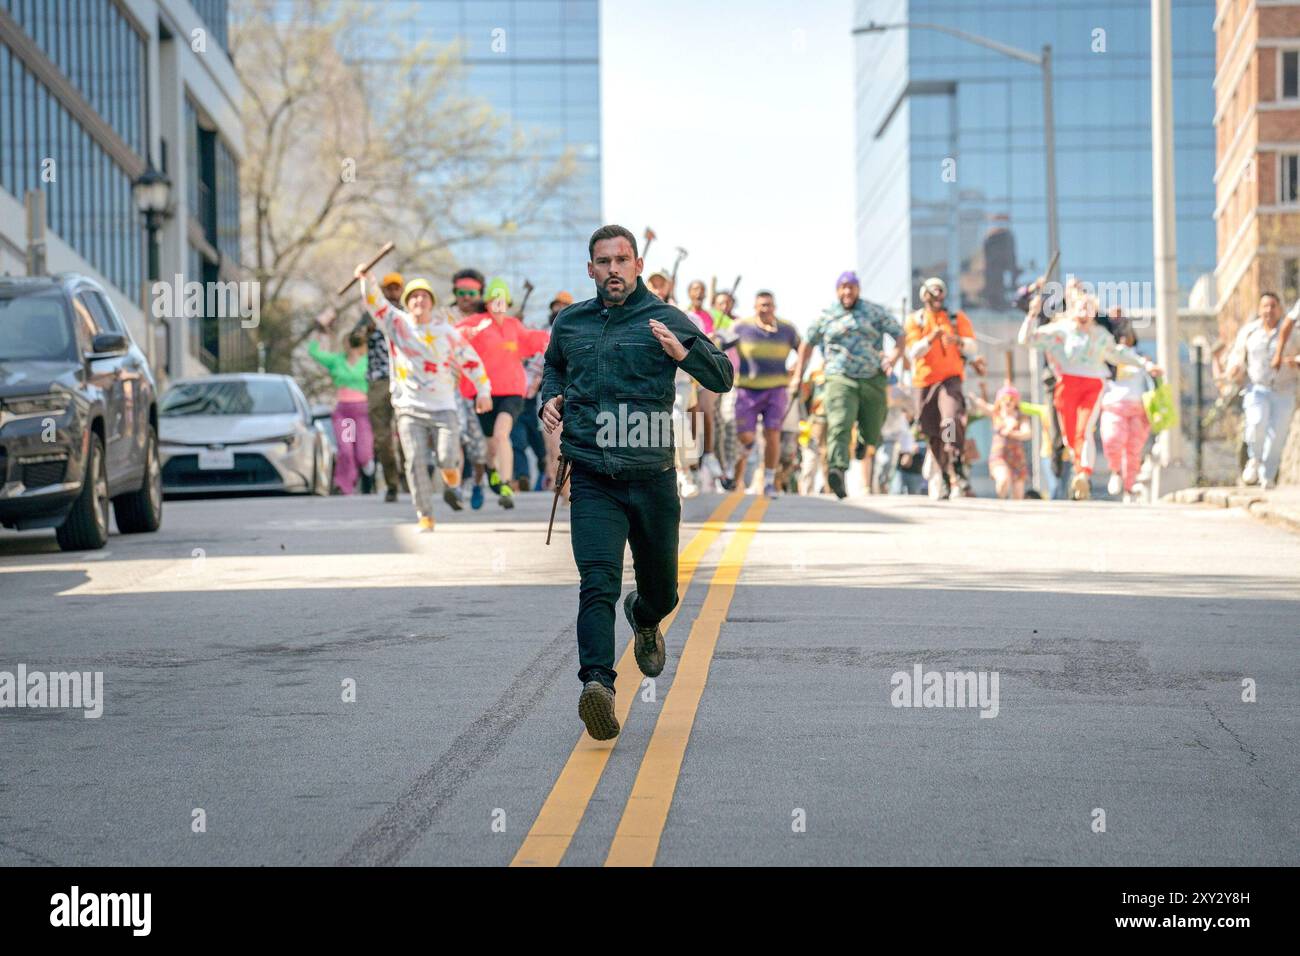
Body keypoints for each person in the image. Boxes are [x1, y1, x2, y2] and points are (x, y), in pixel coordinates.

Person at [539, 225, 733, 741]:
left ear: (638, 265)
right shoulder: (570, 322)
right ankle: (597, 685)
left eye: (622, 260)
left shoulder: (665, 318)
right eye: (603, 262)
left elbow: (722, 375)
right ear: (590, 269)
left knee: (662, 593)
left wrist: (684, 355)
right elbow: (554, 368)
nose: (613, 270)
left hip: (652, 478)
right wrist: (549, 399)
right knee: (596, 581)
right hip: (592, 475)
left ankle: (645, 619)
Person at [355, 268, 491, 532]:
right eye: (414, 296)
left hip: (444, 407)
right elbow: (374, 302)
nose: (419, 300)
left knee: (447, 458)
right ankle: (425, 515)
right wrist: (367, 279)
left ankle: (451, 477)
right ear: (407, 302)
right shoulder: (396, 324)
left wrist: (483, 391)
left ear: (431, 303)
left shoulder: (445, 332)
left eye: (424, 296)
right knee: (415, 461)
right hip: (409, 408)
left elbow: (471, 360)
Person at [1019, 287, 1161, 500]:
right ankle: (1079, 470)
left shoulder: (1100, 335)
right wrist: (1032, 314)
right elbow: (1026, 339)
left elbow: (1118, 353)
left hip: (1093, 384)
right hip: (1066, 384)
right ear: (1072, 309)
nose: (1085, 312)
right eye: (1081, 307)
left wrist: (1145, 364)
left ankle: (1084, 474)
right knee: (1069, 436)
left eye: (1090, 308)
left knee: (1083, 431)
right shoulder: (1060, 331)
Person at [790, 272, 902, 500]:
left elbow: (900, 334)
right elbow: (807, 344)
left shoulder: (875, 312)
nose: (847, 291)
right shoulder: (827, 316)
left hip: (872, 376)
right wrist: (798, 375)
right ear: (837, 290)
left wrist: (893, 357)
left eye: (851, 287)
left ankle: (864, 442)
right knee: (840, 421)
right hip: (839, 376)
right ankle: (837, 470)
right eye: (843, 287)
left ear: (858, 289)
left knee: (874, 425)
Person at [456, 278, 549, 509]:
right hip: (484, 394)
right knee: (490, 444)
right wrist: (467, 332)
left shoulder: (513, 326)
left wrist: (556, 340)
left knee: (501, 434)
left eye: (502, 300)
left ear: (507, 303)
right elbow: (453, 336)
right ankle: (490, 470)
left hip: (513, 392)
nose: (498, 304)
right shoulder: (477, 323)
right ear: (487, 303)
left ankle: (506, 485)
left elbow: (534, 339)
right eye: (494, 300)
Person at [904, 277, 986, 500]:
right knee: (931, 432)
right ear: (925, 296)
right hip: (924, 383)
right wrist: (932, 338)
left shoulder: (955, 318)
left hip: (950, 380)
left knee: (949, 419)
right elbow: (913, 352)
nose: (938, 297)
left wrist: (957, 341)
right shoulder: (916, 321)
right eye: (933, 293)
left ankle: (955, 460)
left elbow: (972, 345)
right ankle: (944, 472)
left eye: (941, 292)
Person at [716, 290, 801, 497]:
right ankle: (749, 446)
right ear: (755, 307)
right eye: (761, 305)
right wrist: (717, 335)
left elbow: (804, 349)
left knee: (773, 433)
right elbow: (720, 344)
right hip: (747, 390)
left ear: (774, 307)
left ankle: (769, 482)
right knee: (745, 436)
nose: (765, 309)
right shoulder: (741, 327)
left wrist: (797, 372)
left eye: (769, 305)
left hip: (777, 389)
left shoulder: (787, 329)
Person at [1226, 291, 1300, 489]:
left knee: (1277, 436)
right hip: (1256, 388)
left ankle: (1267, 475)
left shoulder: (1293, 333)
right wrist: (1234, 368)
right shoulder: (1249, 332)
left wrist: (1295, 361)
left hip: (1284, 390)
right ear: (1259, 310)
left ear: (1280, 309)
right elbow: (1237, 356)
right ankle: (1254, 459)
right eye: (1265, 306)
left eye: (1273, 306)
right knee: (1256, 423)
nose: (1269, 310)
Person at [351, 271, 404, 501]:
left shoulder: (407, 314)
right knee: (382, 438)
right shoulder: (371, 315)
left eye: (396, 288)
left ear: (401, 290)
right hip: (378, 381)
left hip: (404, 380)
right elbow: (353, 340)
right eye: (388, 288)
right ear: (382, 290)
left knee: (407, 434)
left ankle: (411, 481)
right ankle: (392, 484)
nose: (392, 292)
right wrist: (368, 329)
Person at [513, 292, 572, 491]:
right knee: (553, 446)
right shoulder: (543, 334)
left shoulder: (579, 332)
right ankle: (560, 488)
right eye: (557, 306)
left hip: (575, 396)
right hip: (549, 397)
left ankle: (567, 490)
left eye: (564, 306)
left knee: (565, 446)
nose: (559, 309)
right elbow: (536, 365)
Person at [308, 323, 373, 495]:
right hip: (345, 414)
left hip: (362, 412)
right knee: (346, 451)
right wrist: (320, 331)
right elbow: (314, 352)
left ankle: (363, 471)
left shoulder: (367, 361)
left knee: (364, 454)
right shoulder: (337, 360)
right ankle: (345, 485)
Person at [449, 269, 493, 509]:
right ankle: (456, 486)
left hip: (480, 388)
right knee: (455, 435)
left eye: (471, 293)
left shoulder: (488, 318)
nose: (466, 297)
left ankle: (477, 482)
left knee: (478, 445)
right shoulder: (443, 317)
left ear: (480, 294)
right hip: (452, 388)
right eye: (461, 292)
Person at [1099, 319, 1151, 502]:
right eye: (1119, 336)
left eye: (1126, 335)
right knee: (1113, 440)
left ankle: (1130, 488)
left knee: (1134, 450)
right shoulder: (1107, 358)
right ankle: (1116, 470)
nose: (1123, 339)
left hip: (1138, 408)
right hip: (1113, 407)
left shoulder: (1142, 358)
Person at [683, 279, 726, 489]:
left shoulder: (711, 316)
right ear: (689, 293)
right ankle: (691, 465)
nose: (699, 293)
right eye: (695, 289)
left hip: (705, 372)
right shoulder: (682, 313)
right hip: (688, 373)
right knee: (691, 417)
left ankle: (709, 454)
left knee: (706, 410)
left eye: (702, 290)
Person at [972, 385, 1031, 500]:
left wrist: (1011, 433)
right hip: (999, 457)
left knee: (1018, 495)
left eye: (1011, 399)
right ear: (1000, 401)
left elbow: (1027, 433)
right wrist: (978, 394)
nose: (1008, 402)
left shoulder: (1021, 417)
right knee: (1003, 481)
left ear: (1015, 402)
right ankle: (1001, 501)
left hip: (1017, 458)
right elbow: (982, 405)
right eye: (1004, 399)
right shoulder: (996, 414)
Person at [710, 290, 741, 490]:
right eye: (720, 303)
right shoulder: (708, 320)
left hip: (733, 379)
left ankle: (730, 467)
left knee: (730, 420)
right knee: (717, 425)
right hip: (711, 378)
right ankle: (720, 470)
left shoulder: (737, 324)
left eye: (728, 303)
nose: (724, 306)